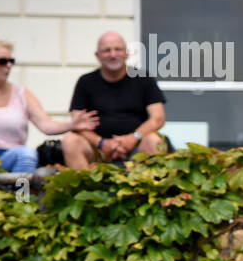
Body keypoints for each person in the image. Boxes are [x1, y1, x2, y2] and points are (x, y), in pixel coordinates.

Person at [0, 37, 99, 173]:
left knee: (27, 155)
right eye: (3, 61)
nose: (9, 66)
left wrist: (71, 125)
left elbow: (46, 124)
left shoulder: (22, 94)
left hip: (10, 156)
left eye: (11, 61)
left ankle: (19, 194)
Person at [62, 32, 168, 169]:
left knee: (154, 141)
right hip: (96, 150)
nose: (113, 54)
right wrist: (101, 143)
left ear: (127, 53)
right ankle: (84, 188)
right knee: (70, 141)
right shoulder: (85, 82)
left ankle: (152, 189)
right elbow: (77, 122)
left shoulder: (144, 79)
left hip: (137, 148)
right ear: (97, 56)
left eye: (118, 49)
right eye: (107, 50)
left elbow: (158, 118)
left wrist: (133, 138)